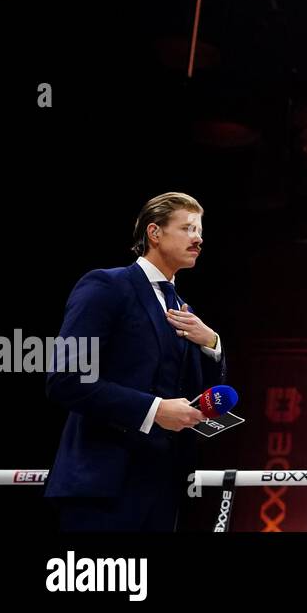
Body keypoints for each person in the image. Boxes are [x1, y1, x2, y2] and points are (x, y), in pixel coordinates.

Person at [45, 193, 226, 531]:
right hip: (102, 484)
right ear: (154, 233)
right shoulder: (106, 285)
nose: (198, 238)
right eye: (187, 228)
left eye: (199, 230)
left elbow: (203, 397)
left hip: (163, 487)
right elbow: (66, 378)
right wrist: (155, 410)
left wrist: (211, 344)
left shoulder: (184, 311)